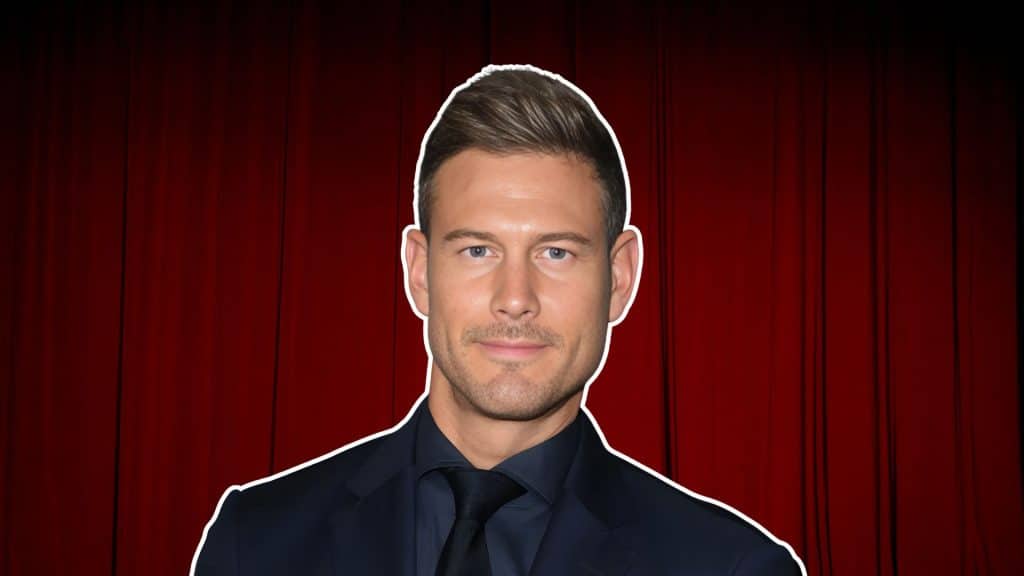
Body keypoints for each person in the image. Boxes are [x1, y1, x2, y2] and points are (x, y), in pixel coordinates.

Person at [192, 64, 804, 576]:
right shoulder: (256, 544)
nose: (515, 299)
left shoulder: (732, 567)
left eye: (555, 252)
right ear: (419, 271)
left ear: (619, 278)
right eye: (478, 250)